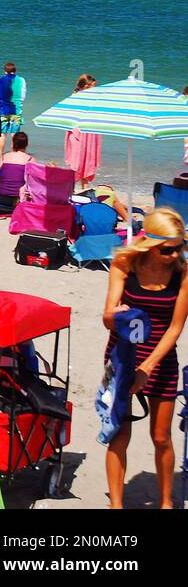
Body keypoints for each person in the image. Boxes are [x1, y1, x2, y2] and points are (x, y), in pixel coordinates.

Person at [102, 208, 188, 509]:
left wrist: (147, 368)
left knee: (161, 436)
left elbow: (176, 328)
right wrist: (116, 315)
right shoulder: (124, 264)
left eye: (181, 246)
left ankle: (166, 503)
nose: (175, 254)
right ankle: (117, 505)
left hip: (160, 358)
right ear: (150, 244)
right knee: (120, 433)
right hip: (123, 355)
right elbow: (107, 317)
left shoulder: (183, 273)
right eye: (168, 249)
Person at [65, 74, 102, 190]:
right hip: (78, 132)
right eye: (93, 86)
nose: (95, 88)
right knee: (77, 160)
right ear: (86, 86)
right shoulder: (76, 97)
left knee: (87, 160)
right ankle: (71, 189)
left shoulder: (93, 98)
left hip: (88, 132)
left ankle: (84, 188)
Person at [0, 62, 27, 161]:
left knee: (2, 134)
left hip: (4, 110)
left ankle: (1, 158)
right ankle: (15, 156)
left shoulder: (2, 80)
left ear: (5, 71)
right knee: (15, 134)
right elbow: (23, 95)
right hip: (16, 110)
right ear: (15, 70)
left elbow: (0, 94)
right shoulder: (21, 80)